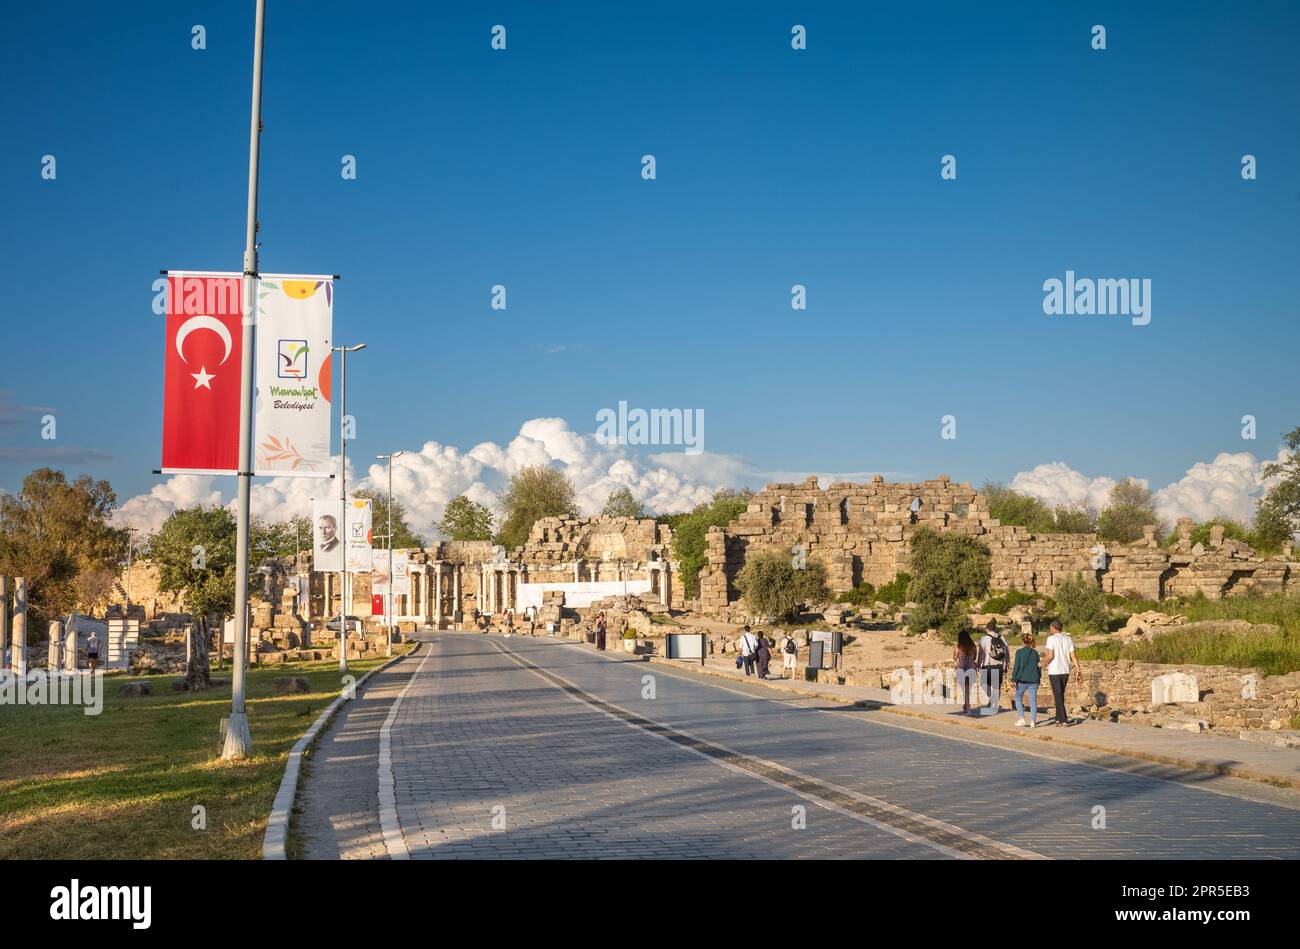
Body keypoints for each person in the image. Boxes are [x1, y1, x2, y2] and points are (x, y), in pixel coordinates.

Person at [1043, 619, 1080, 726]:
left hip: (1055, 671)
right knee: (1059, 695)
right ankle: (1058, 719)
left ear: (1054, 627)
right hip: (1065, 670)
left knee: (1058, 695)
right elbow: (1073, 655)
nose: (1049, 629)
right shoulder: (1068, 639)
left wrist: (1043, 664)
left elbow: (1050, 656)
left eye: (1050, 627)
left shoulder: (1051, 639)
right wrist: (1078, 669)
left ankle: (1063, 719)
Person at [977, 620, 1009, 714]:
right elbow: (1006, 652)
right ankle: (995, 705)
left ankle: (992, 700)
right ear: (995, 628)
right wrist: (1007, 663)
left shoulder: (984, 639)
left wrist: (979, 664)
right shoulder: (1001, 637)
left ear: (987, 628)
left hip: (987, 665)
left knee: (984, 684)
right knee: (996, 687)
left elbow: (981, 653)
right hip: (999, 665)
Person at [1010, 631, 1042, 727]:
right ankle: (1033, 721)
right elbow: (1039, 667)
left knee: (1017, 698)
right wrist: (1038, 679)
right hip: (1034, 680)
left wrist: (1013, 679)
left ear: (1022, 641)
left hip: (1022, 680)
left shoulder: (1019, 652)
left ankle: (1021, 718)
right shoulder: (1035, 652)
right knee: (1033, 701)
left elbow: (1016, 667)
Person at [953, 628, 978, 714]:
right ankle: (966, 705)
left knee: (965, 690)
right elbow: (975, 657)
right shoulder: (973, 647)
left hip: (962, 669)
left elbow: (954, 658)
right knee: (968, 689)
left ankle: (968, 708)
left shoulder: (958, 647)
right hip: (971, 669)